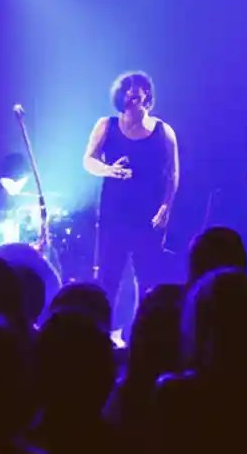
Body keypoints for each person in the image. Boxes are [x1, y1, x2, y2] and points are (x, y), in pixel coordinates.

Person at [83, 71, 180, 330]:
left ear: (147, 95)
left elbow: (173, 173)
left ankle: (144, 334)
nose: (131, 93)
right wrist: (108, 170)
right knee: (108, 276)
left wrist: (165, 207)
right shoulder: (107, 125)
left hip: (147, 214)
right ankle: (100, 332)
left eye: (137, 89)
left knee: (147, 278)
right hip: (114, 212)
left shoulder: (163, 131)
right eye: (127, 88)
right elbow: (88, 160)